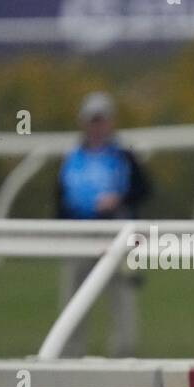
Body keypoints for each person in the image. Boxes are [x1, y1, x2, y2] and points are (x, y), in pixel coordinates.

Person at [56, 91, 151, 357]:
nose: (97, 125)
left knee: (122, 299)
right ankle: (68, 356)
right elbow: (61, 199)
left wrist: (118, 200)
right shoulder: (72, 157)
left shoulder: (124, 155)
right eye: (93, 120)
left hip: (115, 233)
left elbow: (143, 189)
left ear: (110, 122)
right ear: (84, 122)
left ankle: (124, 356)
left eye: (102, 120)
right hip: (79, 234)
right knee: (73, 301)